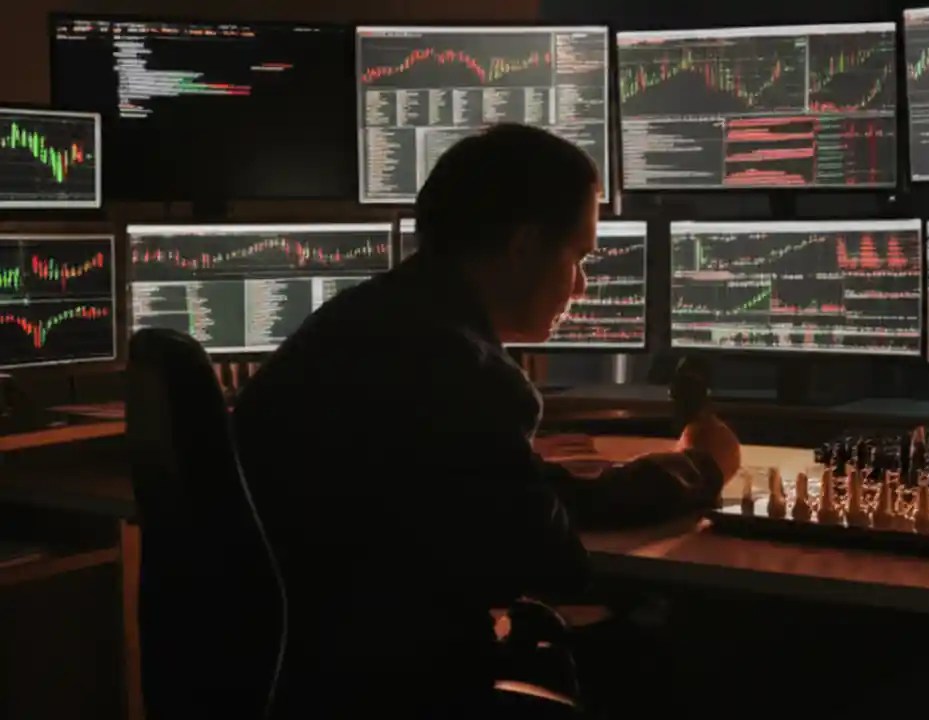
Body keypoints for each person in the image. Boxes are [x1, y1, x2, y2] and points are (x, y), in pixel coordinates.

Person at [231, 123, 741, 717]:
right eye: (577, 255)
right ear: (522, 246)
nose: (579, 285)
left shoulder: (365, 320)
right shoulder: (461, 367)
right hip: (395, 690)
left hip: (298, 679)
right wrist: (703, 466)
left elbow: (499, 503)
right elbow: (551, 560)